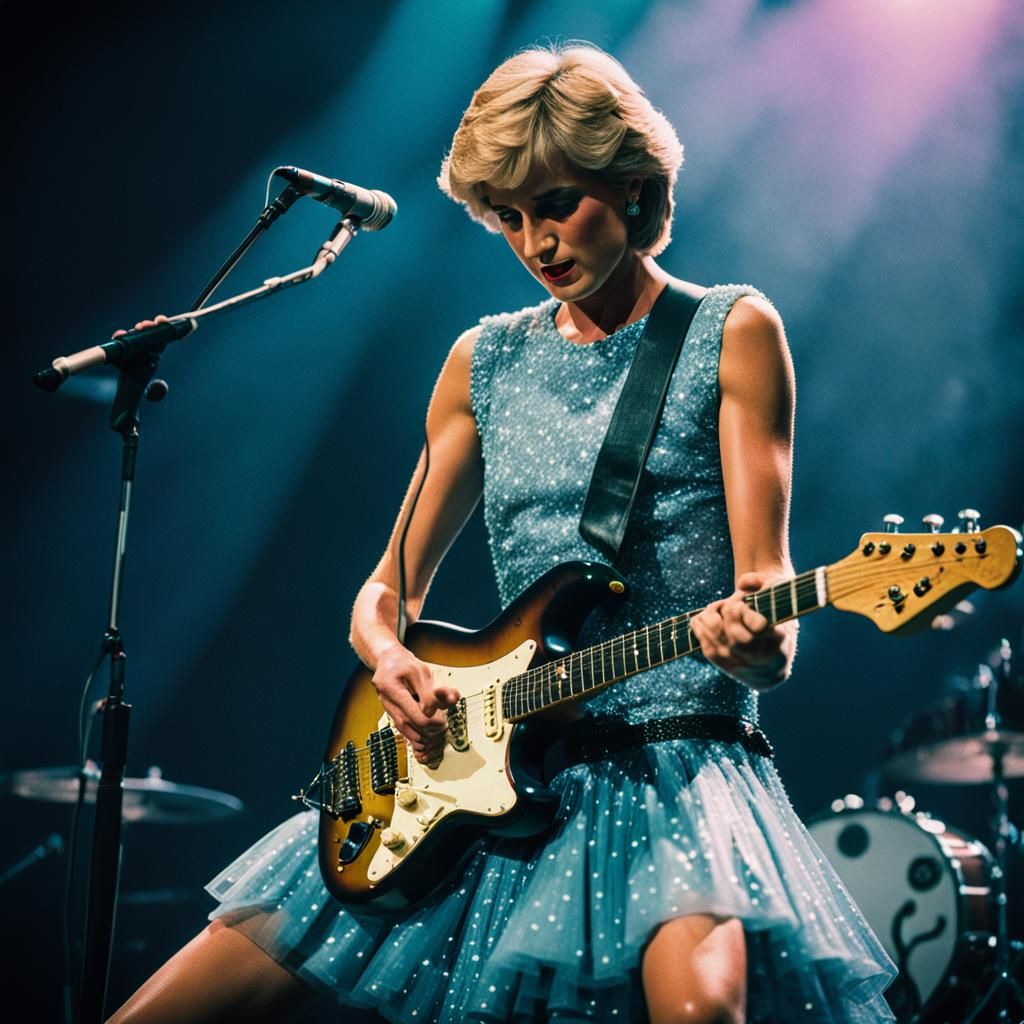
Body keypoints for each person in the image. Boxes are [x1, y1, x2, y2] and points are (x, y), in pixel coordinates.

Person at [110, 42, 894, 1024]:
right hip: (479, 757)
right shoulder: (480, 359)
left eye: (557, 204)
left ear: (634, 187)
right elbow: (384, 589)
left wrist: (762, 644)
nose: (536, 241)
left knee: (700, 1013)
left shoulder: (729, 330)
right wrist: (389, 656)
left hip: (676, 765)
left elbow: (766, 598)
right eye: (509, 217)